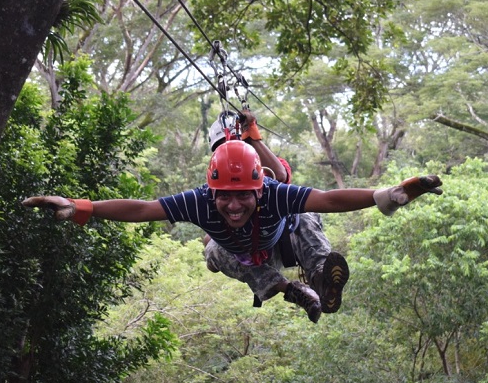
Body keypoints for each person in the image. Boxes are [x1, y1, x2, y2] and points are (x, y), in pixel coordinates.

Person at [22, 141, 443, 323]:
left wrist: (387, 194)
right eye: (225, 197)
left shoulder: (274, 191)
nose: (235, 205)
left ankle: (319, 275)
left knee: (307, 218)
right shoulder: (199, 201)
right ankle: (292, 289)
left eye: (245, 196)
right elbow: (144, 209)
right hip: (245, 258)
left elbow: (329, 198)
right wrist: (82, 207)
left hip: (283, 244)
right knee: (217, 252)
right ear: (213, 190)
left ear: (259, 190)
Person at [203, 111, 348, 316]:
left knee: (304, 212)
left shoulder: (268, 169)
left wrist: (252, 137)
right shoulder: (215, 188)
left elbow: (280, 176)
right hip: (250, 255)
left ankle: (321, 277)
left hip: (282, 240)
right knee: (212, 248)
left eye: (239, 146)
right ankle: (292, 290)